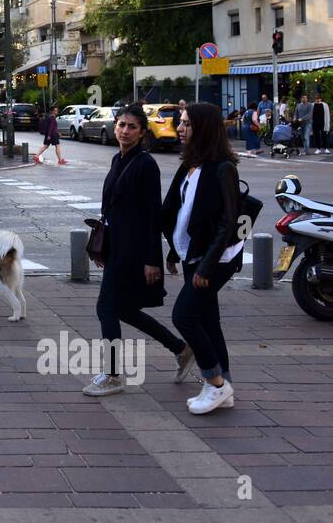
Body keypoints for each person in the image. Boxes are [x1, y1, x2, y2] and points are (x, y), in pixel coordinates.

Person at [83, 103, 193, 397]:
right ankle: (181, 349)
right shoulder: (118, 160)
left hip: (133, 250)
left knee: (105, 308)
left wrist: (151, 259)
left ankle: (114, 374)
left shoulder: (146, 165)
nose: (125, 131)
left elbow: (152, 216)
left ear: (143, 132)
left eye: (132, 127)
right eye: (121, 125)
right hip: (116, 246)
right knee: (124, 310)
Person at [162, 102, 244, 415]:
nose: (179, 128)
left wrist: (206, 267)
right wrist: (174, 248)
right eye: (180, 123)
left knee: (184, 316)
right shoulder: (191, 163)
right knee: (210, 322)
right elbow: (182, 213)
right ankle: (226, 387)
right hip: (192, 254)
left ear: (204, 128)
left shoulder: (223, 168)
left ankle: (216, 383)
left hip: (215, 259)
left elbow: (227, 221)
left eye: (186, 124)